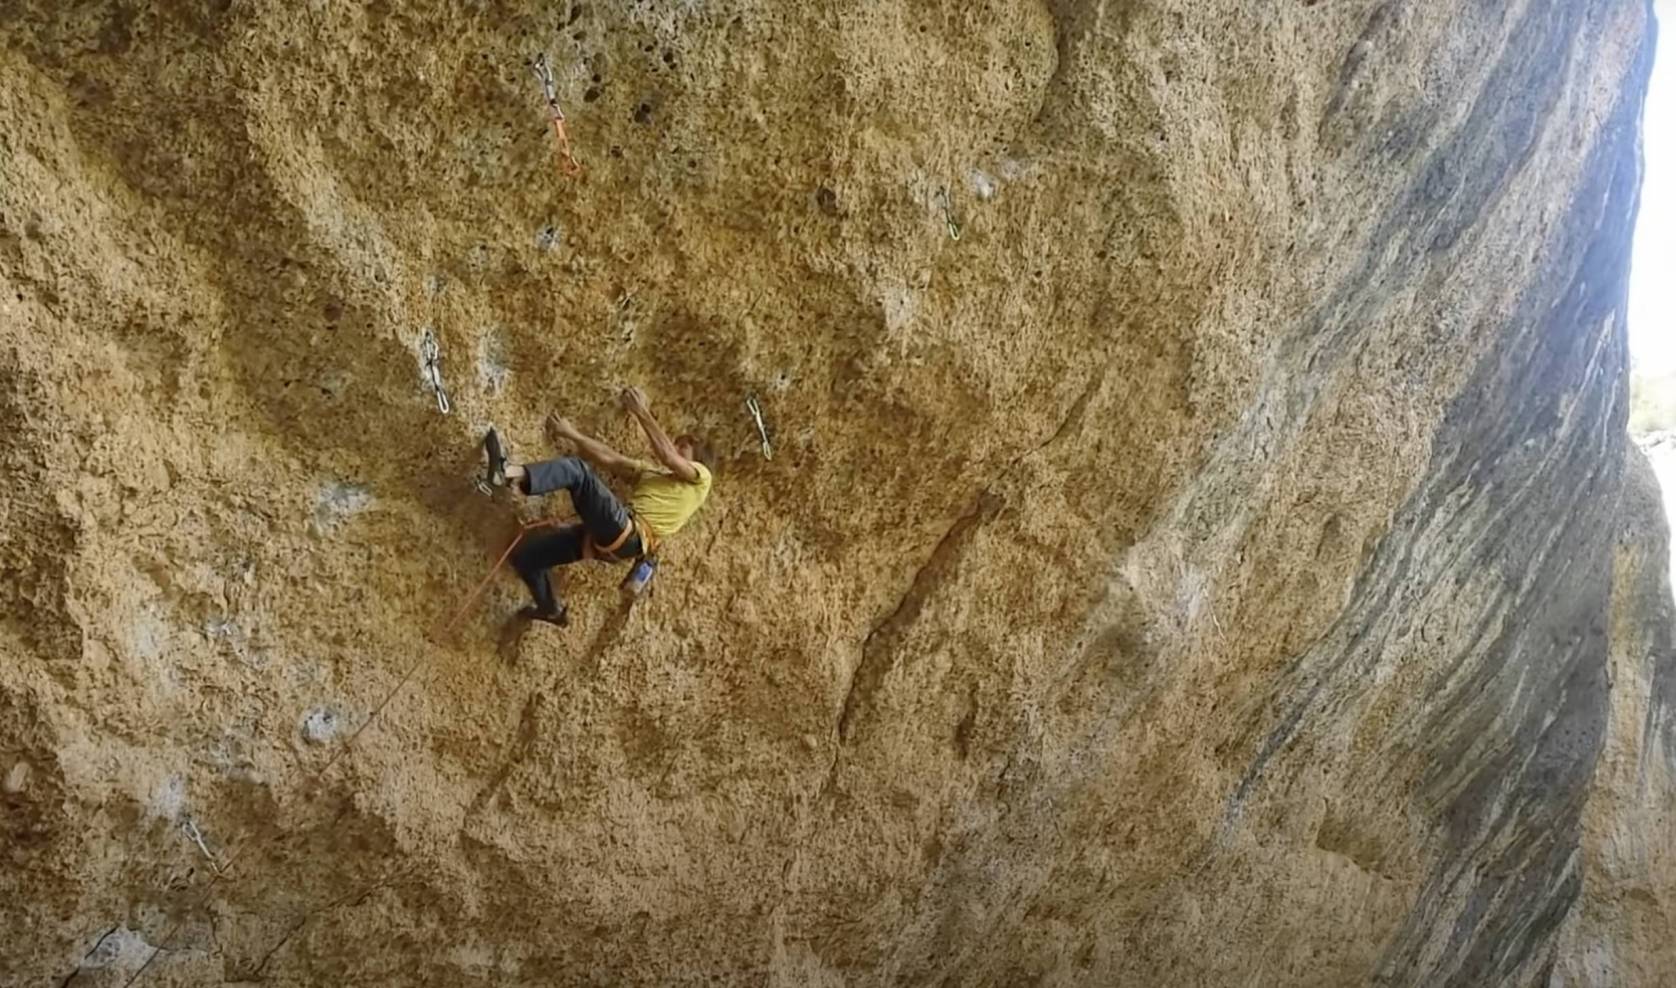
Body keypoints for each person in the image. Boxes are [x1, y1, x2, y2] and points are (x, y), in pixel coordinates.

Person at [482, 387, 713, 626]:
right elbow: (610, 458)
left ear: (698, 459)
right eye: (676, 444)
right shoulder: (653, 474)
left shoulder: (701, 478)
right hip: (614, 540)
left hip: (629, 531)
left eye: (683, 447)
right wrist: (573, 435)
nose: (675, 448)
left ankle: (508, 473)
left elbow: (667, 456)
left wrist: (641, 411)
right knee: (526, 557)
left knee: (578, 471)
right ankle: (550, 610)